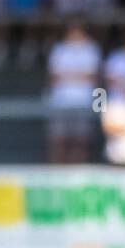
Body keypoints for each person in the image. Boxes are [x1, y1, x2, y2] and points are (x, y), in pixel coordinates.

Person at [44, 22, 101, 164]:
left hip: (84, 101)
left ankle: (78, 169)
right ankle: (57, 168)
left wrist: (67, 74)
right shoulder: (59, 49)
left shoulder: (92, 49)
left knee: (81, 139)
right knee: (58, 138)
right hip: (61, 101)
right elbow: (54, 77)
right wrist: (80, 74)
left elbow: (93, 77)